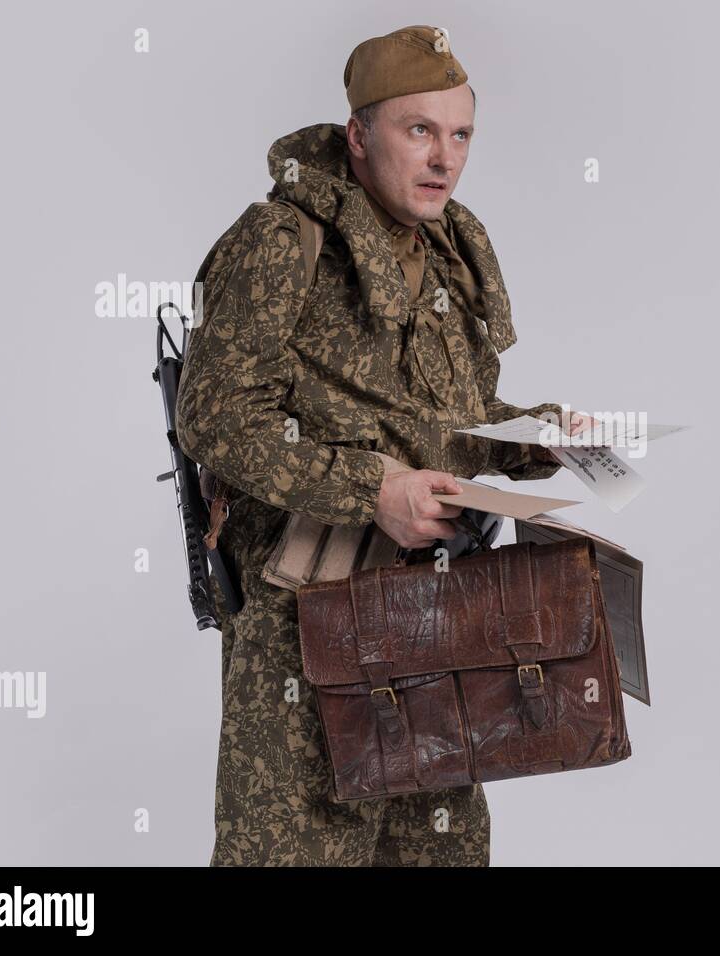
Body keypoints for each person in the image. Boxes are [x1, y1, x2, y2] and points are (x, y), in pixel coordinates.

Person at [175, 24, 590, 866]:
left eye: (461, 133)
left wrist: (535, 438)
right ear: (359, 136)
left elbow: (441, 417)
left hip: (438, 621)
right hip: (307, 622)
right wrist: (372, 489)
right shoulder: (281, 243)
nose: (445, 157)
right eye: (419, 131)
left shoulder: (445, 252)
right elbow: (214, 417)